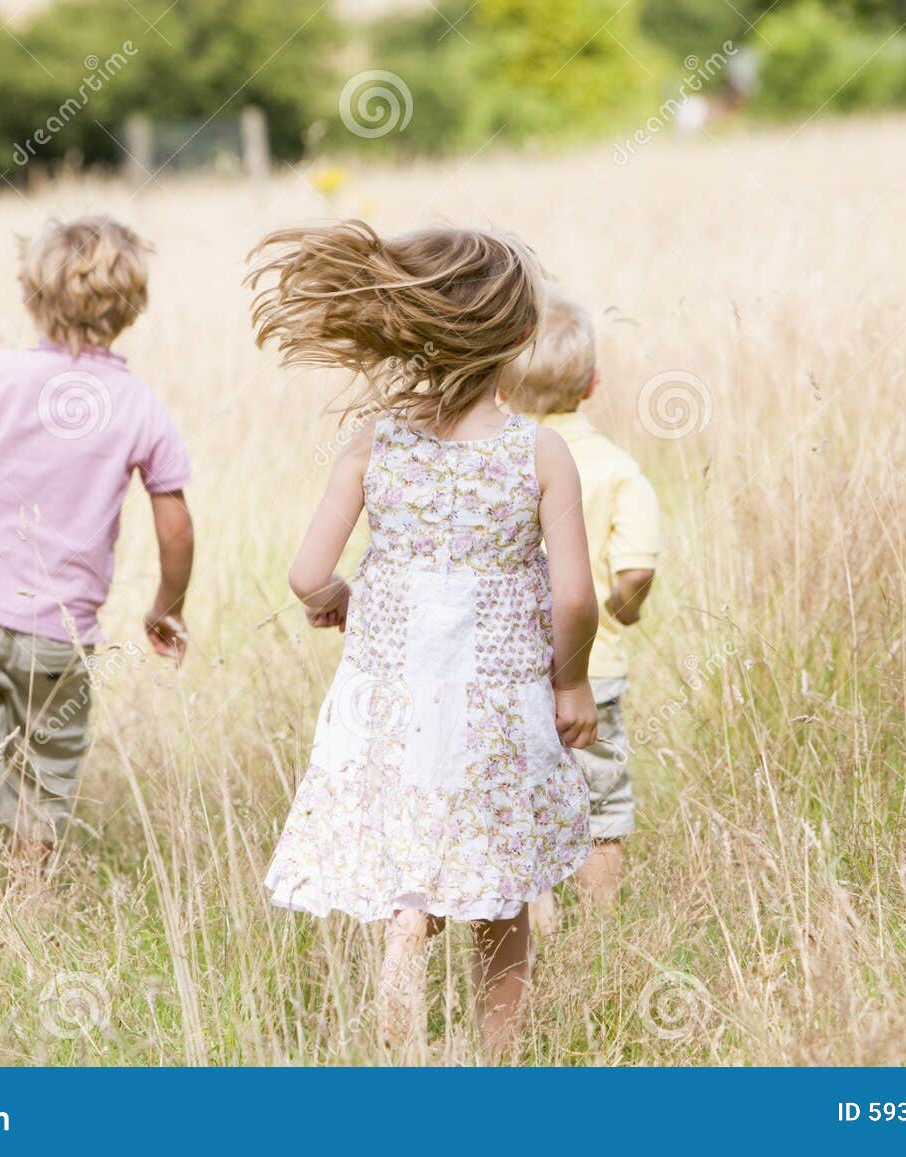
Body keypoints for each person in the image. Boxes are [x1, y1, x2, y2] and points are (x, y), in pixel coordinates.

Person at [251, 220, 598, 1058]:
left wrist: (337, 598)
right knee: (501, 889)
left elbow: (306, 572)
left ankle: (406, 952)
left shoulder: (376, 443)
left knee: (413, 863)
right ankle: (498, 1059)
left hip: (392, 704)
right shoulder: (539, 452)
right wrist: (572, 681)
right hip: (498, 706)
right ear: (521, 333)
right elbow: (576, 595)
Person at [0, 215, 194, 865]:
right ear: (130, 306)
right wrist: (167, 607)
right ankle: (27, 902)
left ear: (32, 294)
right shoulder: (139, 404)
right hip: (60, 631)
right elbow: (175, 525)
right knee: (44, 775)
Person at [500, 290, 659, 920]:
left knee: (523, 798)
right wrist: (625, 607)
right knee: (601, 804)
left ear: (501, 386)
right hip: (595, 673)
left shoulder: (500, 461)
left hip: (509, 668)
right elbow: (636, 569)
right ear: (593, 383)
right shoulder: (619, 470)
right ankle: (601, 931)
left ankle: (538, 919)